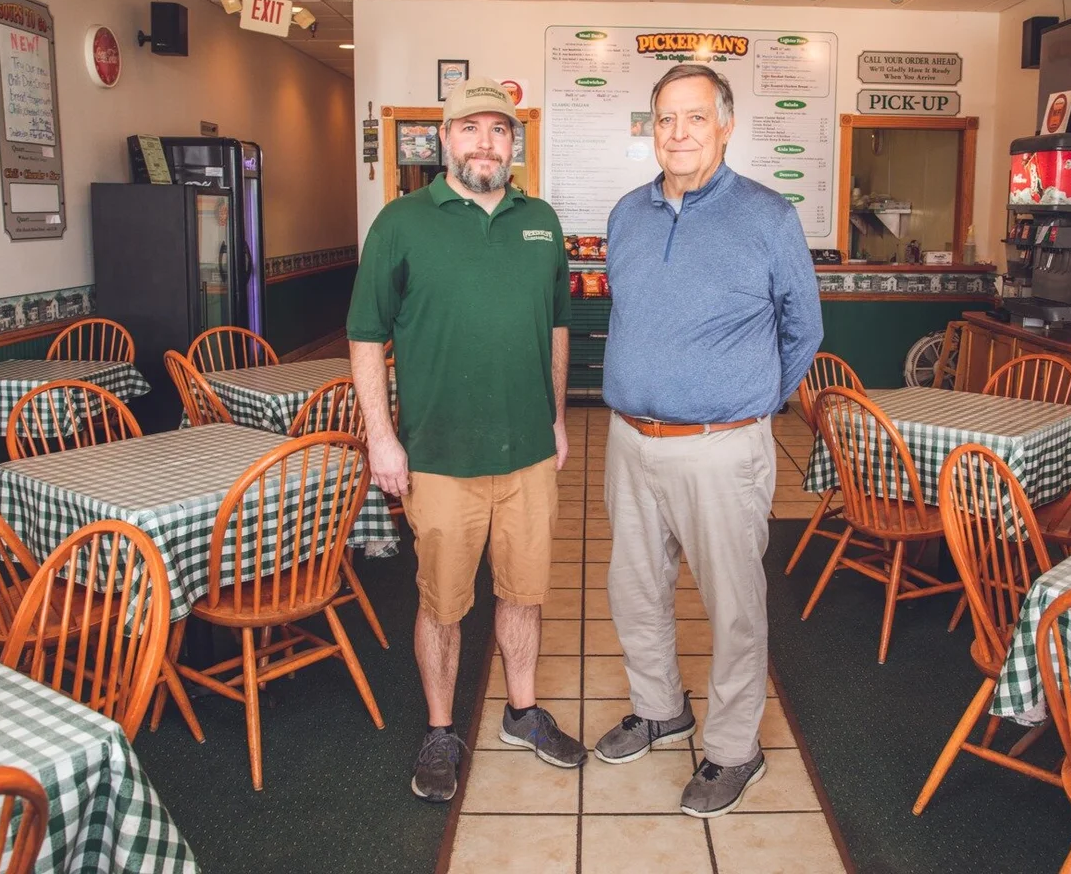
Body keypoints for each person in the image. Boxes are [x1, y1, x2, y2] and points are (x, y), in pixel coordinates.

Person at [347, 75, 586, 803]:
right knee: (443, 604)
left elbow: (555, 328)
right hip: (441, 459)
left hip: (528, 458)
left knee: (523, 594)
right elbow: (364, 337)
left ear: (514, 145)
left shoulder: (540, 220)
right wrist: (381, 438)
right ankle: (442, 729)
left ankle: (521, 711)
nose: (486, 142)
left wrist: (555, 419)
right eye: (471, 128)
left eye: (500, 131)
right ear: (443, 140)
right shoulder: (401, 222)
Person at [595, 63, 822, 817]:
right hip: (629, 440)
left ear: (726, 125)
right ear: (650, 129)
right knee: (635, 590)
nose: (679, 133)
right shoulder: (627, 215)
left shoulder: (768, 217)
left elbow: (804, 330)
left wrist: (748, 406)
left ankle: (734, 750)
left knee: (732, 606)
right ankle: (661, 709)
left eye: (695, 118)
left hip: (723, 447)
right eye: (665, 119)